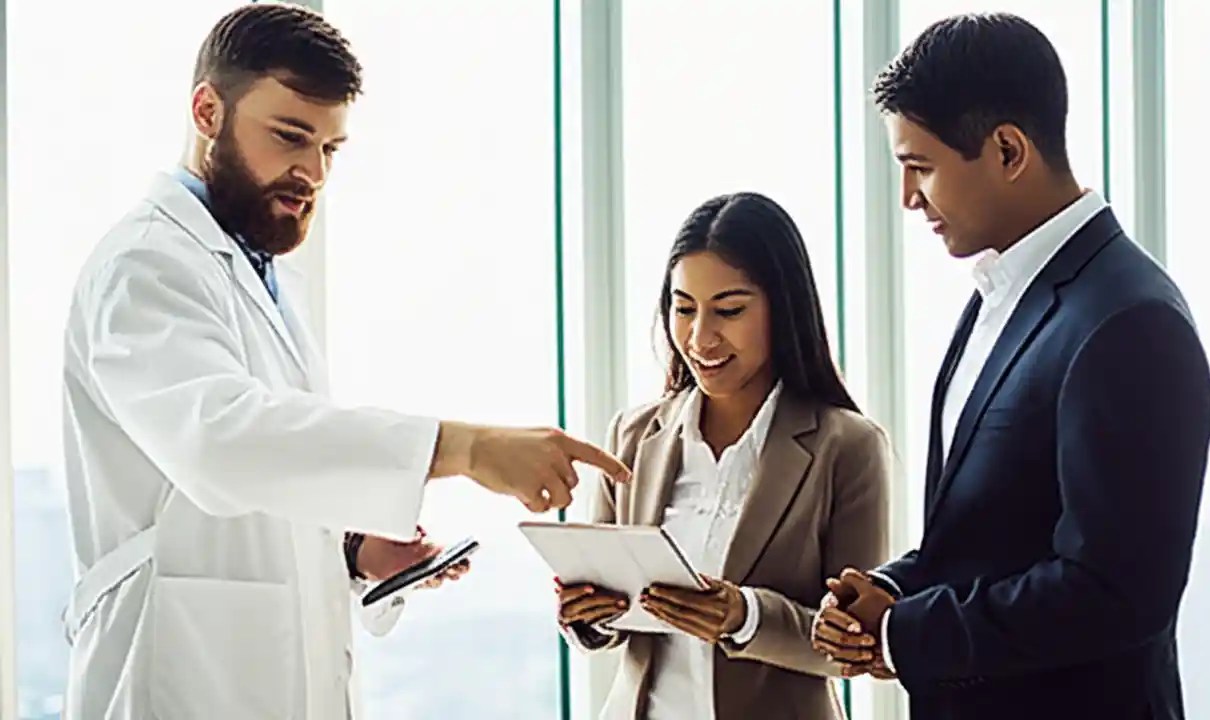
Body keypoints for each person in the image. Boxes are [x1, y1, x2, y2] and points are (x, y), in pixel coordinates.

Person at [59, 4, 628, 718]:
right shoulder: (144, 263)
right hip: (169, 672)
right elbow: (220, 444)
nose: (311, 172)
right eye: (290, 137)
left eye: (329, 149)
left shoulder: (261, 278)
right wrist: (469, 448)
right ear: (208, 110)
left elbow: (268, 479)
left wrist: (353, 551)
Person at [811, 13, 1210, 720]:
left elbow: (1119, 592)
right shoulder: (1003, 292)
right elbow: (991, 538)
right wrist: (890, 592)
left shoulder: (1129, 320)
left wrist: (905, 632)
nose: (909, 200)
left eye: (920, 168)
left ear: (1006, 150)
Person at [557, 192, 891, 719]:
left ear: (783, 308)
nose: (699, 337)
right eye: (683, 308)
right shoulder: (633, 434)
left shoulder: (846, 446)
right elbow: (602, 620)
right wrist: (588, 615)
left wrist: (745, 617)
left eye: (729, 311)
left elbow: (856, 644)